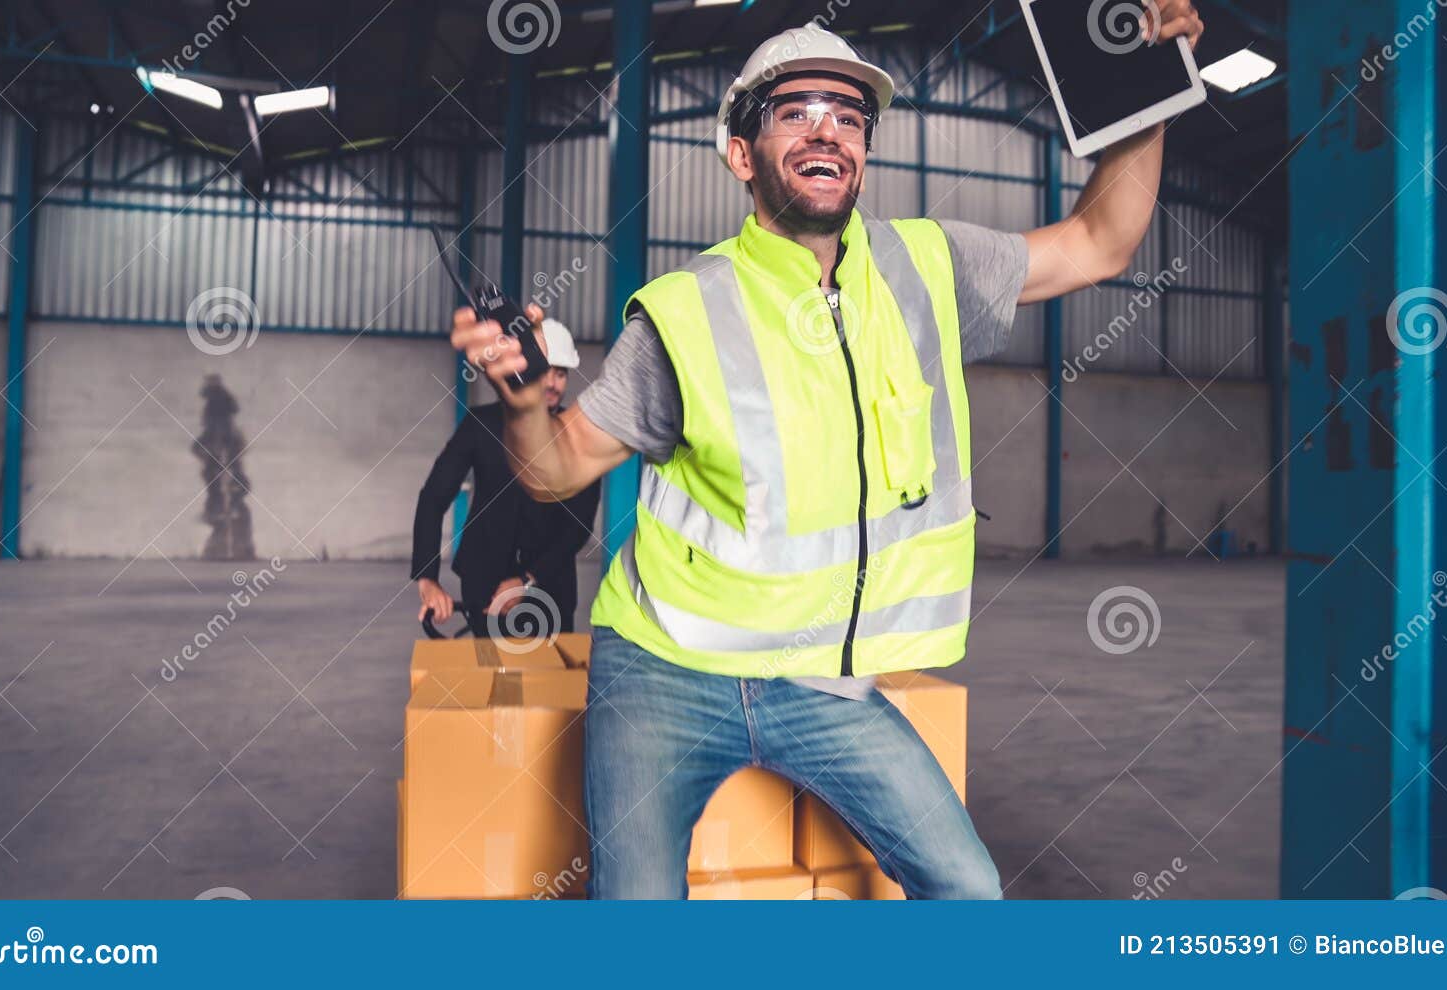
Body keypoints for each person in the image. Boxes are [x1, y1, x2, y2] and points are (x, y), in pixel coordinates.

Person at [451, 6, 1204, 898]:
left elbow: (1099, 244)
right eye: (796, 112)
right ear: (742, 155)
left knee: (970, 890)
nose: (828, 131)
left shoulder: (929, 266)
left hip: (820, 681)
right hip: (666, 674)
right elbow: (555, 469)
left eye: (849, 117)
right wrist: (522, 400)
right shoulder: (686, 312)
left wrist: (1156, 89)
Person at [413, 318, 601, 636]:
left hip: (548, 591)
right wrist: (428, 579)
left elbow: (578, 526)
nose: (553, 384)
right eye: (545, 372)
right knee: (492, 682)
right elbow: (433, 497)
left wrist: (525, 580)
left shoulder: (577, 437)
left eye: (561, 373)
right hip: (482, 584)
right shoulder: (480, 424)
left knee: (548, 683)